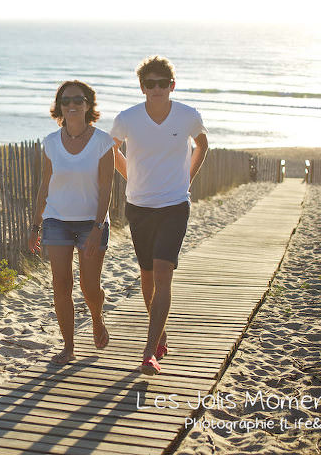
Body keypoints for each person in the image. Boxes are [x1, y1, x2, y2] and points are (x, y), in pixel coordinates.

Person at [111, 55, 209, 375]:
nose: (156, 89)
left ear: (172, 85)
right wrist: (131, 178)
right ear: (142, 87)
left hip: (174, 206)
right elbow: (110, 149)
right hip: (138, 207)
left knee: (164, 271)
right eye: (149, 84)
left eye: (161, 84)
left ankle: (149, 352)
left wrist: (187, 179)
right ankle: (161, 333)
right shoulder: (127, 118)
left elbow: (203, 144)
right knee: (148, 277)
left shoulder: (187, 116)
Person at [28, 80, 116, 365]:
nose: (72, 105)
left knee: (90, 287)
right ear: (59, 107)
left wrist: (98, 227)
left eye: (78, 100)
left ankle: (97, 317)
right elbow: (45, 184)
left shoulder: (103, 141)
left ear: (88, 105)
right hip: (57, 220)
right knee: (60, 285)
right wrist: (35, 225)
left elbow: (106, 188)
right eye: (66, 101)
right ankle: (68, 346)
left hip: (91, 223)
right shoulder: (51, 143)